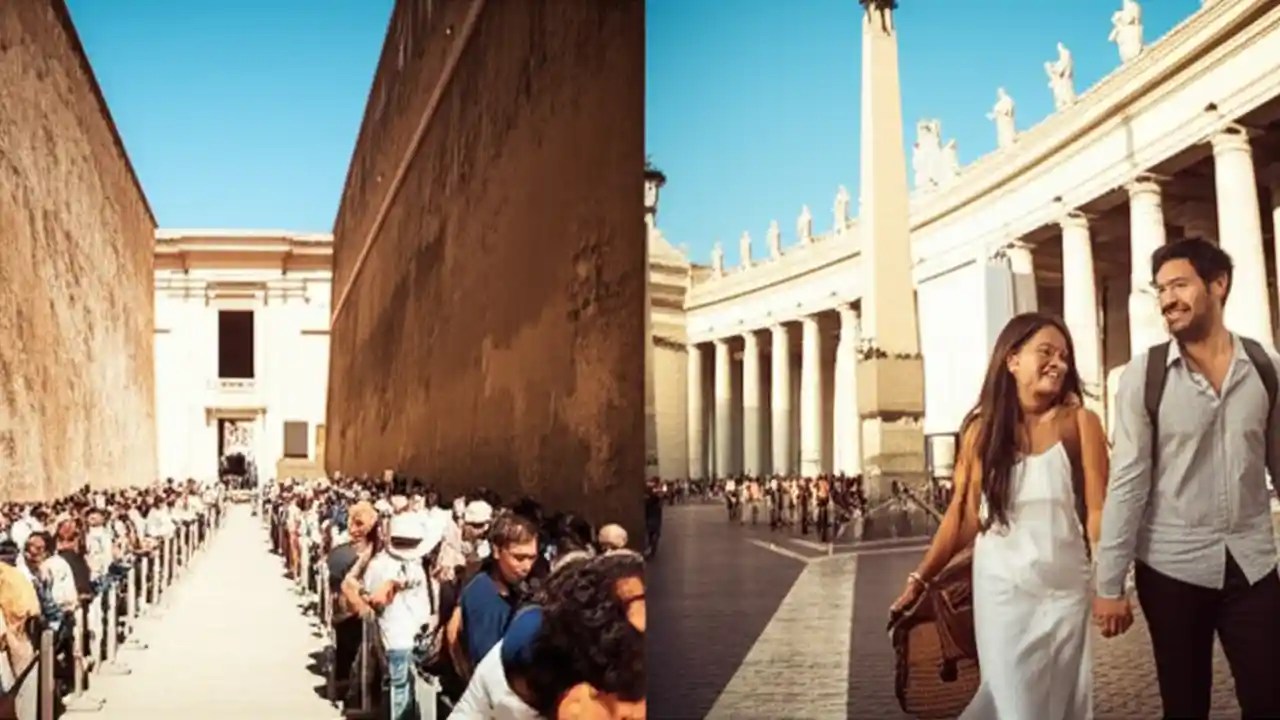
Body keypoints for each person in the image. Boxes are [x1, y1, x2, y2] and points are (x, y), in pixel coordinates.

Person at [888, 312, 1110, 719]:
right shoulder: (980, 431)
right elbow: (963, 514)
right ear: (1012, 359)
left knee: (1062, 705)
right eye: (1045, 351)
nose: (1058, 363)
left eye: (1064, 355)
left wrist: (1109, 585)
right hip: (1003, 589)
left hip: (1065, 589)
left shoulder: (1080, 424)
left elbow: (1098, 511)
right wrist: (920, 579)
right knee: (1015, 703)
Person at [1093, 238, 1280, 718]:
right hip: (1171, 568)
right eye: (1160, 289)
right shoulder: (1143, 376)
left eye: (1179, 284)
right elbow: (1128, 483)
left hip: (1253, 565)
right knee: (1185, 705)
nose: (1167, 300)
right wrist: (1109, 585)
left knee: (1270, 697)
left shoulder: (1266, 369)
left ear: (1219, 285)